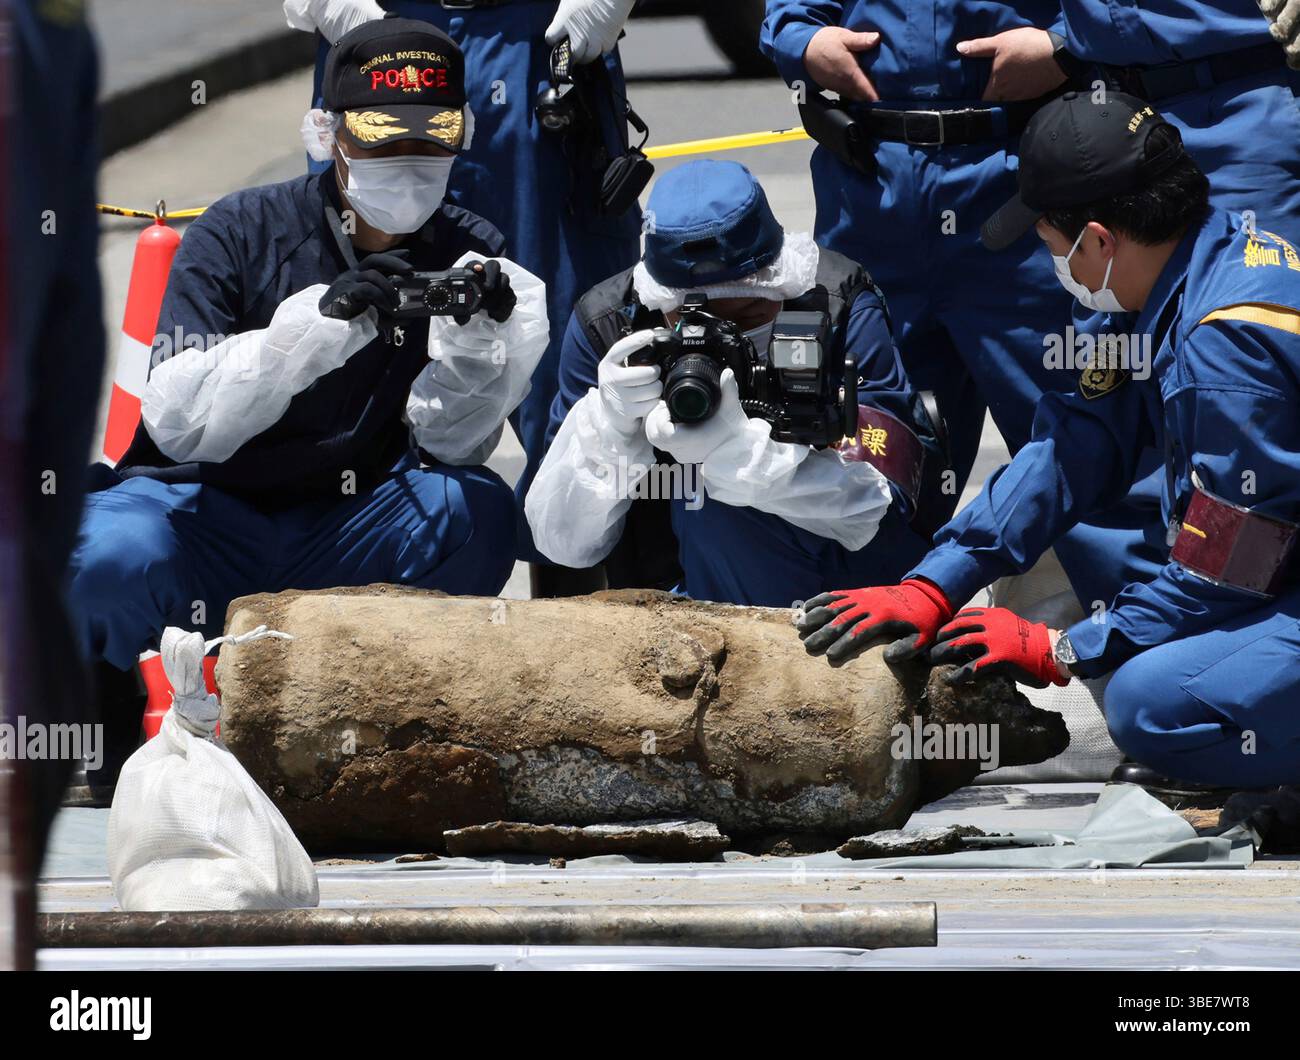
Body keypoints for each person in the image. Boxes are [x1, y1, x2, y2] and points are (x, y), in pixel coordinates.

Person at [68, 19, 546, 796]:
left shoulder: (469, 249)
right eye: (385, 133)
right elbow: (179, 420)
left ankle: (367, 706)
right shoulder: (241, 230)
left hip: (347, 522)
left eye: (436, 133)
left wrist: (482, 345)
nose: (409, 157)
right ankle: (106, 692)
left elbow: (451, 443)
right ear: (332, 133)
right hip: (206, 507)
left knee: (479, 514)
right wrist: (312, 331)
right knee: (100, 553)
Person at [796, 92, 1300, 807]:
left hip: (1263, 574)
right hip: (1278, 573)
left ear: (1098, 239)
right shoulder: (1178, 274)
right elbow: (1069, 448)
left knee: (1148, 703)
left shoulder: (1222, 348)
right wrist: (935, 583)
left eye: (1051, 243)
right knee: (1154, 650)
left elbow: (1228, 572)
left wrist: (1059, 649)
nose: (1053, 259)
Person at [284, 1, 644, 591]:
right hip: (381, 46)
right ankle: (367, 626)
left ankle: (578, 635)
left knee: (572, 365)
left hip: (535, 42)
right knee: (360, 339)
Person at [526, 160, 943, 607]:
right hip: (655, 582)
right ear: (658, 302)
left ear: (781, 288)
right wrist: (608, 431)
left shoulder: (835, 306)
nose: (720, 342)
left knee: (718, 504)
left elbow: (885, 500)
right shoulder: (609, 326)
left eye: (745, 319)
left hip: (820, 575)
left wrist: (744, 457)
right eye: (694, 325)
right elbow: (561, 543)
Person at [953, 1, 1300, 219]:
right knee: (1127, 326)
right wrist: (1063, 42)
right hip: (1107, 116)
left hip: (1242, 98)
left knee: (1246, 304)